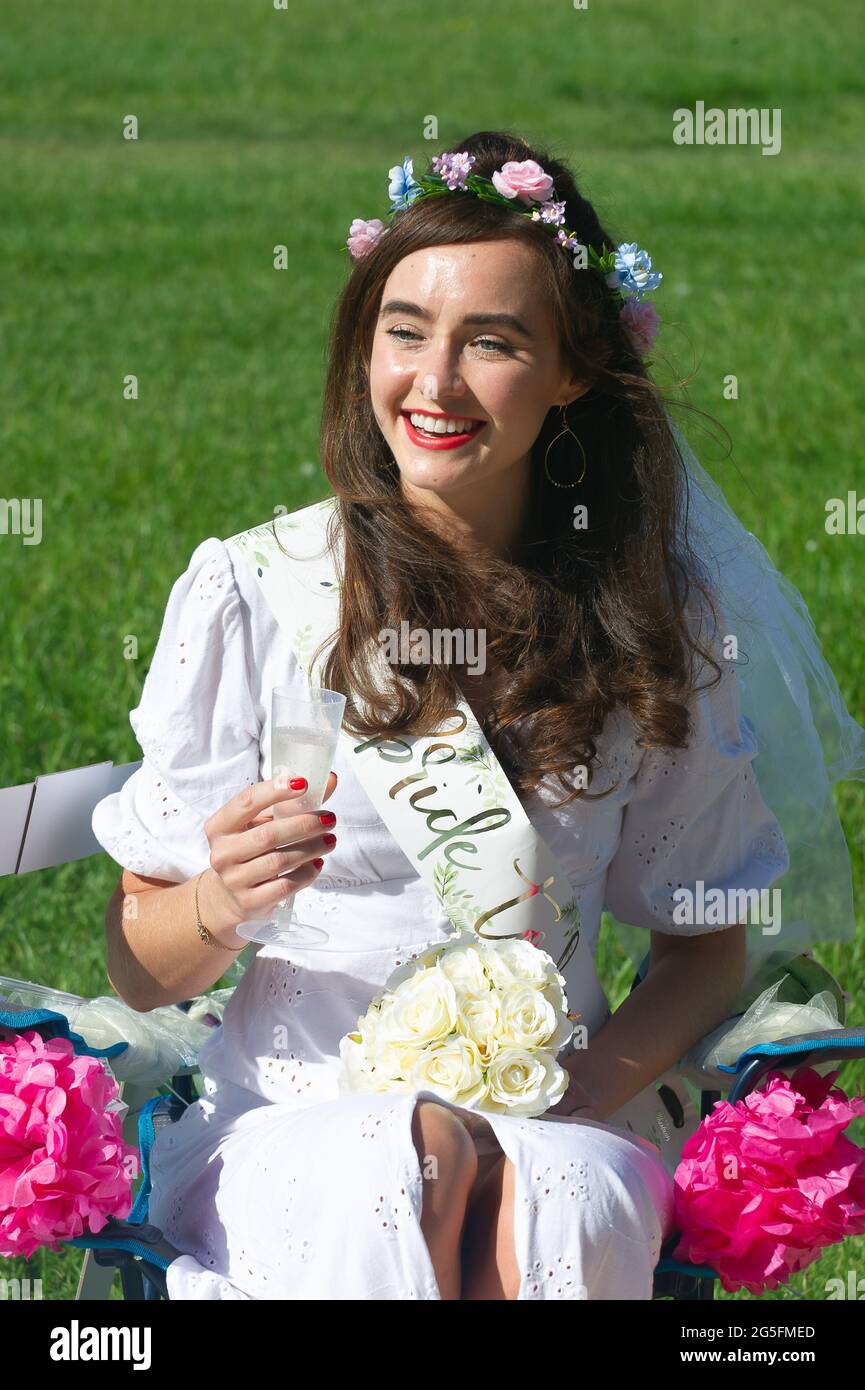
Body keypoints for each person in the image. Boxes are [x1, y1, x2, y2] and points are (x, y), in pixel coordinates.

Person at [92, 130, 792, 1300]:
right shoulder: (257, 593)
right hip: (298, 1109)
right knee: (405, 1160)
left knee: (555, 1190)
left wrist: (583, 1085)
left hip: (564, 1108)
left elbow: (702, 936)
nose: (434, 383)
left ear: (572, 369)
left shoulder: (651, 617)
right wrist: (219, 898)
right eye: (404, 331)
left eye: (493, 342)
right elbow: (138, 964)